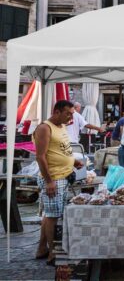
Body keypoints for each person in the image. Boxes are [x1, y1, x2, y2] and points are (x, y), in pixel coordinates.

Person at [34, 100, 83, 265]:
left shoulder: (61, 126)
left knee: (51, 214)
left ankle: (42, 249)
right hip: (53, 178)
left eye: (72, 114)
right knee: (53, 216)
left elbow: (62, 149)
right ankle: (53, 254)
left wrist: (72, 162)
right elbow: (40, 157)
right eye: (68, 113)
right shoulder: (44, 128)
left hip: (64, 176)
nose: (70, 117)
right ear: (57, 112)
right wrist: (49, 181)